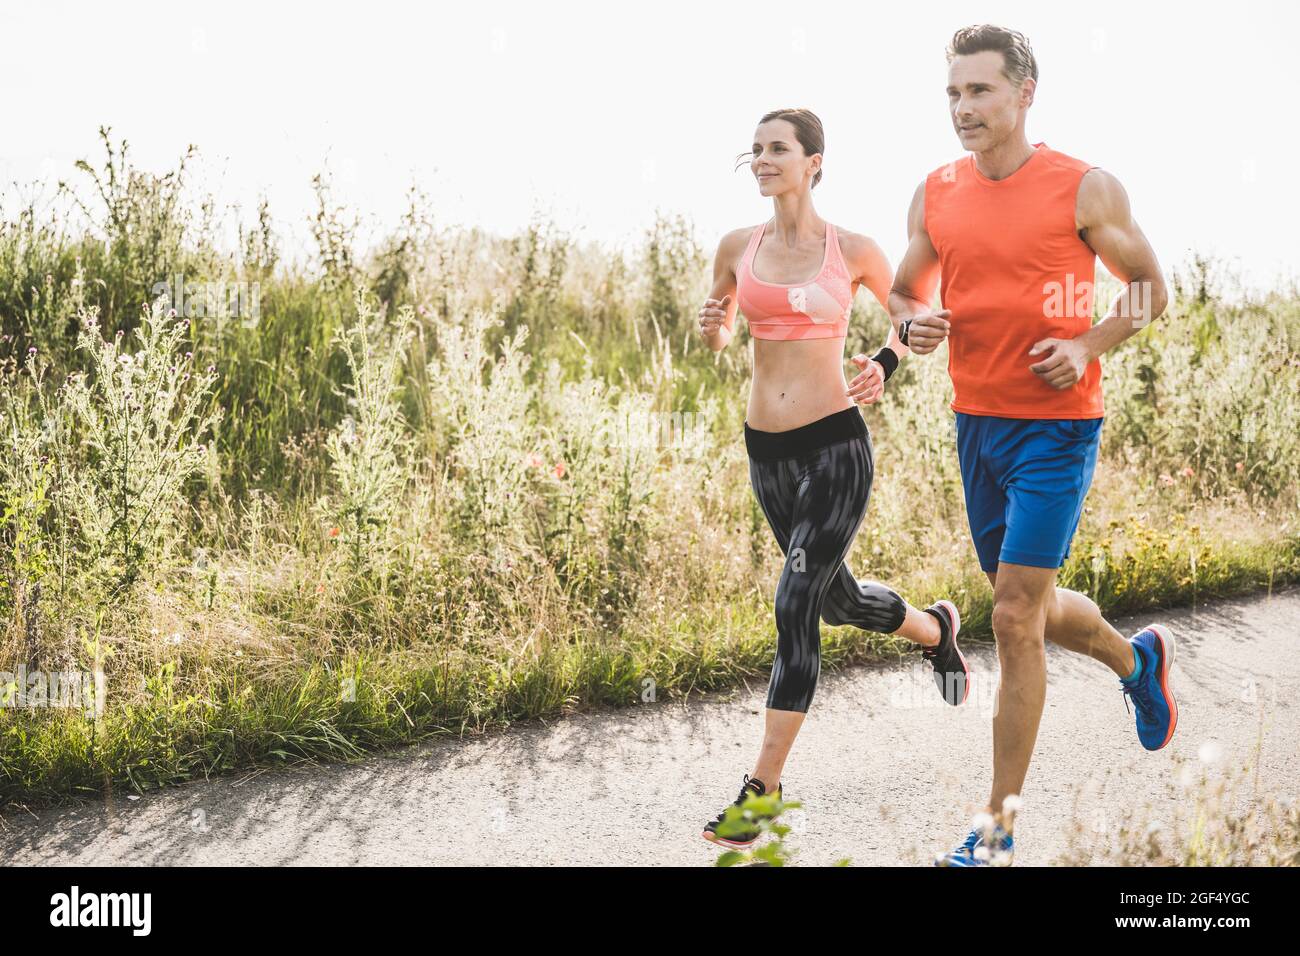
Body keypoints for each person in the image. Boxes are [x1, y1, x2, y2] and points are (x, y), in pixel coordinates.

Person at [883, 25, 1176, 866]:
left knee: (1011, 617)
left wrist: (1086, 346)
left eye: (980, 91)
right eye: (953, 94)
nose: (963, 109)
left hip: (1057, 430)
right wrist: (911, 322)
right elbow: (904, 288)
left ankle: (997, 829)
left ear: (1024, 92)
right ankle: (1137, 659)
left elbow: (1152, 289)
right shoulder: (936, 191)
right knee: (1033, 613)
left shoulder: (1083, 189)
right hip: (975, 424)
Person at [696, 108, 968, 851]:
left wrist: (884, 360)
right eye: (753, 149)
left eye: (776, 149)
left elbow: (908, 312)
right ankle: (933, 627)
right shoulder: (735, 246)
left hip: (834, 450)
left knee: (796, 602)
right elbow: (721, 333)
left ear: (814, 161)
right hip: (767, 454)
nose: (761, 159)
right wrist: (711, 326)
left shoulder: (850, 248)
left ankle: (762, 792)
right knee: (837, 598)